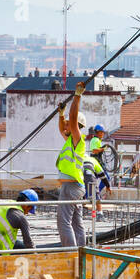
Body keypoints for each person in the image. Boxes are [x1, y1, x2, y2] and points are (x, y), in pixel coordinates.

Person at [56, 80, 88, 248]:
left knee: (63, 222)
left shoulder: (77, 138)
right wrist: (61, 115)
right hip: (76, 187)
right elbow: (62, 129)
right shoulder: (70, 139)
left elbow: (73, 120)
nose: (66, 125)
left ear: (76, 126)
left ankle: (70, 254)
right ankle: (82, 251)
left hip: (71, 187)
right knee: (76, 223)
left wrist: (77, 96)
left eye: (69, 123)